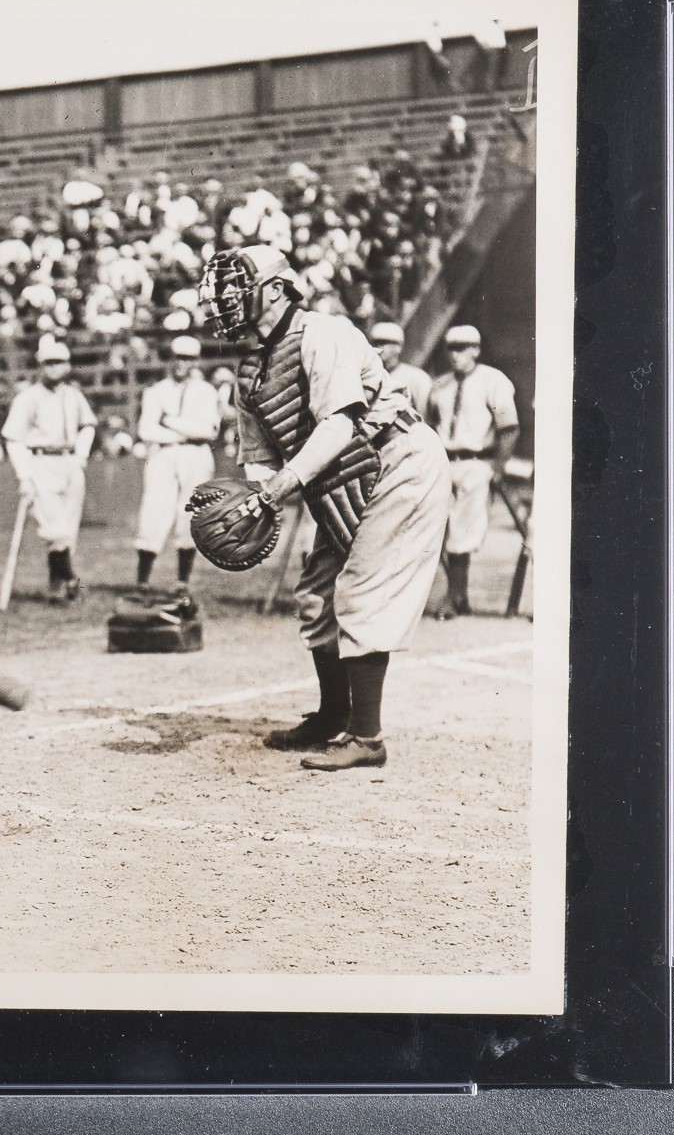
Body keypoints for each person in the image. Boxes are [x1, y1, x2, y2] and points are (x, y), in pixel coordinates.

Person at [197, 246, 451, 772]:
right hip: (341, 474)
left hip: (396, 455)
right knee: (316, 592)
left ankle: (367, 736)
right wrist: (251, 504)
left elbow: (339, 424)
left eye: (235, 284)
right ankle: (333, 715)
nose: (223, 298)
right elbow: (260, 458)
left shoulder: (324, 333)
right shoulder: (250, 371)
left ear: (274, 289)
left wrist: (278, 490)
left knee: (360, 589)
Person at [426, 324, 520, 617]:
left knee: (463, 531)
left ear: (476, 350)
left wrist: (498, 467)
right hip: (445, 462)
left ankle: (452, 598)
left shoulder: (494, 381)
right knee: (439, 529)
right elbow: (431, 427)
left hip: (477, 461)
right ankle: (458, 596)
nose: (455, 355)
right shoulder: (440, 386)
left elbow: (509, 427)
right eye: (451, 348)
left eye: (463, 348)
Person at [2, 334, 96, 604]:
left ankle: (57, 590)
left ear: (67, 366)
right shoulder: (28, 397)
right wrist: (24, 475)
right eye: (49, 363)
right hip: (41, 461)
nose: (55, 368)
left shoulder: (73, 395)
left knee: (68, 530)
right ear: (40, 366)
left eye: (60, 362)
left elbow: (88, 424)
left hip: (70, 461)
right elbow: (13, 438)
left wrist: (81, 454)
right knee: (56, 530)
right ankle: (71, 579)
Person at [133, 335, 226, 594]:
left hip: (195, 455)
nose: (181, 363)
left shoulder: (207, 392)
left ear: (196, 361)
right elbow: (146, 430)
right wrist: (183, 431)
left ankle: (182, 581)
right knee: (154, 510)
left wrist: (170, 421)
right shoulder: (156, 391)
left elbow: (208, 430)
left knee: (190, 514)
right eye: (177, 357)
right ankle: (143, 581)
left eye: (187, 358)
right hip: (164, 454)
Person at [368, 320, 433, 419]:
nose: (379, 347)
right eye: (375, 343)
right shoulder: (367, 376)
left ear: (398, 347)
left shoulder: (416, 378)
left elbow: (424, 416)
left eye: (385, 343)